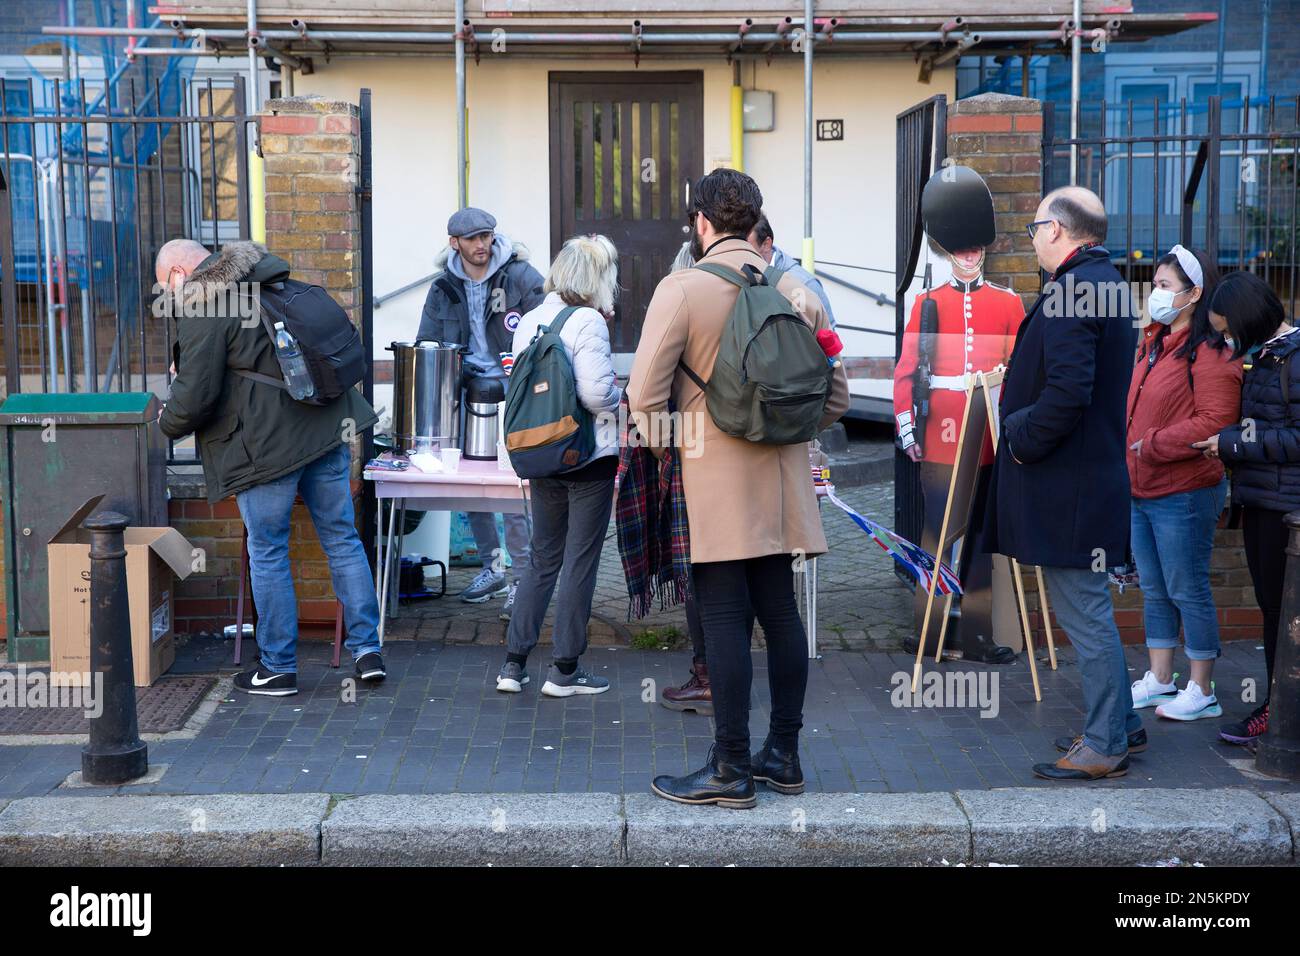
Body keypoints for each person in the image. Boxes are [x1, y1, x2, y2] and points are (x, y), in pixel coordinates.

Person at [629, 168, 849, 807]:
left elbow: (643, 401)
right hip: (782, 484)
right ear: (754, 221)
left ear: (701, 223)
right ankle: (783, 756)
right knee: (781, 614)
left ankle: (729, 768)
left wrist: (691, 444)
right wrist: (778, 432)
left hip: (714, 485)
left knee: (723, 619)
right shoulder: (794, 287)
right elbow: (832, 397)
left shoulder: (682, 289)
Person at [155, 238, 384, 696]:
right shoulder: (273, 282)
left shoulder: (205, 307)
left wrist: (166, 422)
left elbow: (195, 396)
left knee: (268, 549)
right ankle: (367, 650)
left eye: (165, 287)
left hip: (267, 449)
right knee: (340, 537)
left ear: (180, 275)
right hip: (325, 431)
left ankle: (278, 666)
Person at [979, 186, 1142, 781]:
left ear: (1057, 230)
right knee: (1090, 609)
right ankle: (1122, 724)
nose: (1031, 238)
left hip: (1070, 487)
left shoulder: (1077, 290)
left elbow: (1069, 392)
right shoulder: (1101, 283)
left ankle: (1105, 745)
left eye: (1034, 228)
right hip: (1085, 481)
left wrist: (1018, 432)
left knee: (1086, 614)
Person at [893, 166, 1022, 664]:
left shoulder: (1008, 305)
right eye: (961, 249)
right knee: (936, 536)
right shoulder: (927, 303)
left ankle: (977, 636)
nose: (969, 256)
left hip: (987, 435)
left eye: (975, 249)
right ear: (949, 251)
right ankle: (928, 631)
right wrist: (908, 425)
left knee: (980, 542)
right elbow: (908, 371)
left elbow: (1016, 373)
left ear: (984, 250)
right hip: (941, 439)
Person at [495, 235, 623, 698]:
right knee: (579, 561)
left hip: (540, 452)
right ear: (596, 278)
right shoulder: (588, 320)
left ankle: (513, 665)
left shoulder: (529, 318)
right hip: (585, 456)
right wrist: (621, 399)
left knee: (542, 557)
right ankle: (565, 671)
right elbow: (594, 395)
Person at [1126, 245, 1238, 722]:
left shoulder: (1211, 351)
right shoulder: (1153, 342)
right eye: (1155, 286)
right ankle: (1160, 679)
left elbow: (1215, 420)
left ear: (1194, 295)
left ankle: (1202, 687)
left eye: (1166, 287)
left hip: (1185, 491)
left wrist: (1151, 443)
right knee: (1154, 586)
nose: (1156, 294)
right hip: (1142, 488)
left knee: (1187, 587)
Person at [417, 207, 545, 615]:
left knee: (513, 484)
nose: (481, 245)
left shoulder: (522, 277)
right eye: (472, 239)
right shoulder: (443, 288)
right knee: (473, 486)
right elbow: (426, 343)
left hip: (515, 391)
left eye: (486, 236)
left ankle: (523, 580)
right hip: (466, 391)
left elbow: (549, 328)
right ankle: (493, 567)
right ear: (454, 242)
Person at [1192, 271, 1297, 745]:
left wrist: (1231, 446)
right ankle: (1279, 709)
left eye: (1230, 331)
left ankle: (1282, 714)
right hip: (1263, 502)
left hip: (1286, 510)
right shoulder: (1271, 358)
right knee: (1273, 611)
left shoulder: (1293, 360)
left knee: (1282, 613)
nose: (1227, 341)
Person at [746, 213, 837, 328]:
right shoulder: (742, 274)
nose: (740, 251)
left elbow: (828, 335)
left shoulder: (803, 283)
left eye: (747, 245)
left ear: (766, 244)